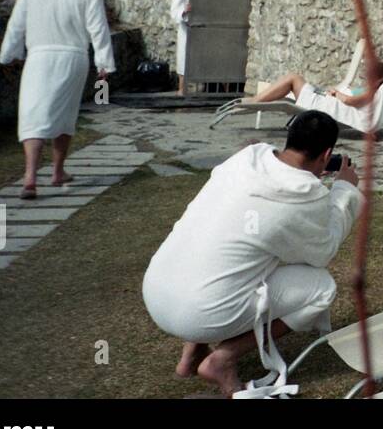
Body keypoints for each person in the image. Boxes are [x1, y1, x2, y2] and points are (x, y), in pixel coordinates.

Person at [142, 110, 362, 396]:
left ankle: (191, 356)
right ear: (327, 154)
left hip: (158, 290)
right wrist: (343, 188)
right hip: (201, 311)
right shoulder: (305, 193)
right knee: (321, 288)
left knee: (231, 256)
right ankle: (223, 359)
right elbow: (322, 253)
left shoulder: (247, 158)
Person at [0, 0, 114, 200]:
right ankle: (58, 171)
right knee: (64, 116)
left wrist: (8, 55)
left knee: (32, 115)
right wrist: (104, 63)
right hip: (73, 59)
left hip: (39, 57)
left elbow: (17, 22)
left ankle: (29, 177)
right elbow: (98, 28)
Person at [249, 60, 383, 134]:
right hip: (326, 99)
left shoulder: (371, 93)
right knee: (293, 80)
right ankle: (255, 100)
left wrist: (337, 93)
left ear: (378, 80)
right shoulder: (370, 91)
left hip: (323, 105)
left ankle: (254, 101)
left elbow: (349, 101)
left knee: (293, 78)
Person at [169, 0, 191, 95]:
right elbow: (174, 13)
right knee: (183, 59)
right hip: (186, 31)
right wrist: (184, 11)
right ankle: (182, 89)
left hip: (201, 31)